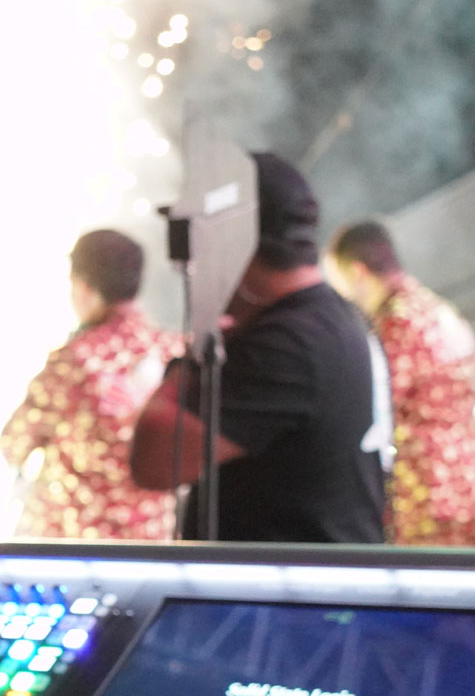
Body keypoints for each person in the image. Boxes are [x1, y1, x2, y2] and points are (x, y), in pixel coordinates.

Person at [128, 152, 391, 543]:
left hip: (280, 581)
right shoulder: (331, 318)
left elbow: (155, 460)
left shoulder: (286, 345)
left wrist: (200, 343)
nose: (193, 261)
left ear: (231, 240)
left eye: (199, 239)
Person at [326, 221, 475, 547]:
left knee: (422, 579)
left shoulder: (397, 321)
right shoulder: (436, 308)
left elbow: (374, 403)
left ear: (357, 273)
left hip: (430, 490)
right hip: (474, 478)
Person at [0, 229, 181, 540]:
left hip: (76, 544)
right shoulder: (173, 349)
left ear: (83, 287)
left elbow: (15, 442)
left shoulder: (75, 360)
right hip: (152, 541)